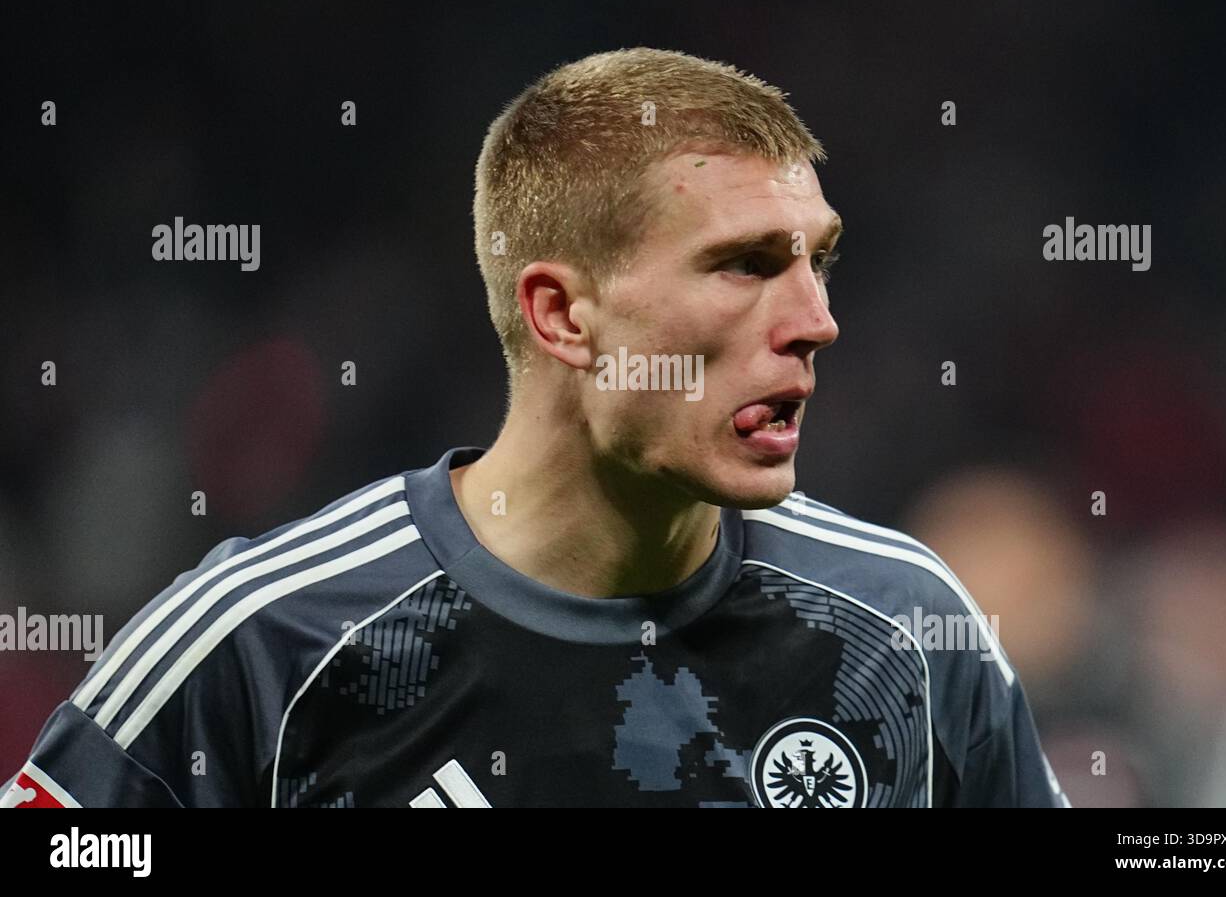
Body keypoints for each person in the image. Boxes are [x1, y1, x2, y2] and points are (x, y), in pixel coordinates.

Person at [3, 47, 1068, 807]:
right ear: (561, 313)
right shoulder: (261, 643)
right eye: (745, 264)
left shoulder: (904, 632)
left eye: (816, 261)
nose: (815, 322)